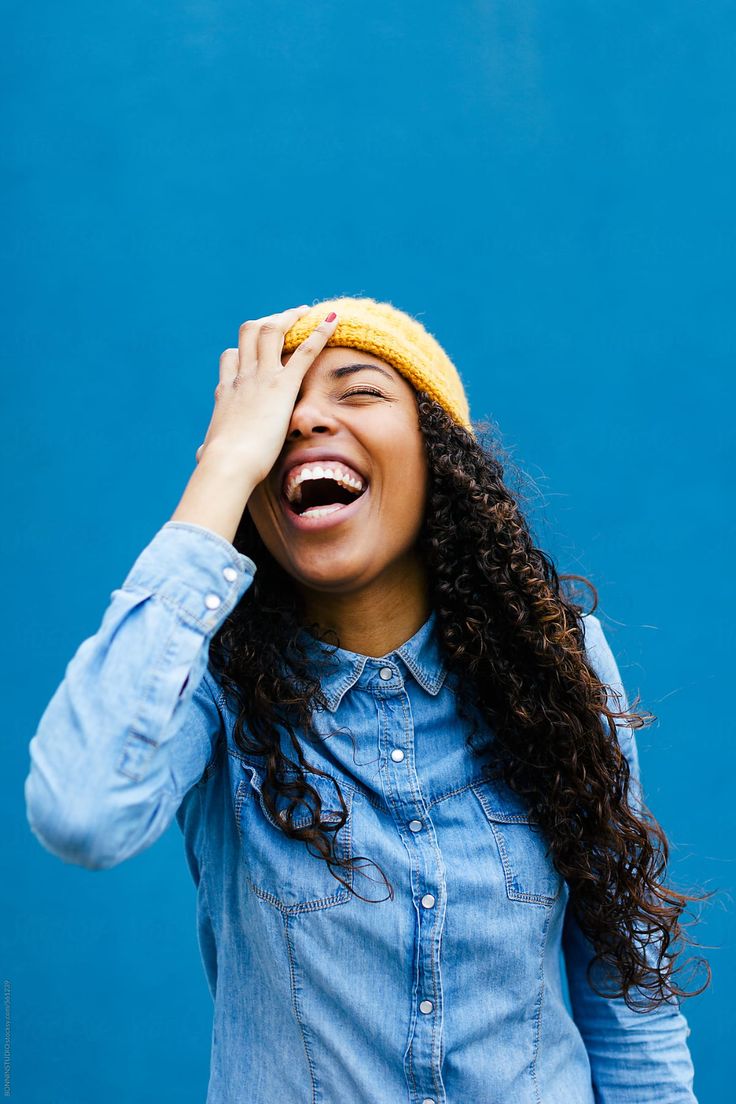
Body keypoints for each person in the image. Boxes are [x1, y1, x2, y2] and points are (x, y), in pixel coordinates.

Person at [24, 297, 709, 1103]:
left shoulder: (558, 658)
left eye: (358, 392)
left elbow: (628, 997)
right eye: (275, 416)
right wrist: (219, 469)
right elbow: (82, 808)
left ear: (440, 456)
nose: (306, 422)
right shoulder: (209, 683)